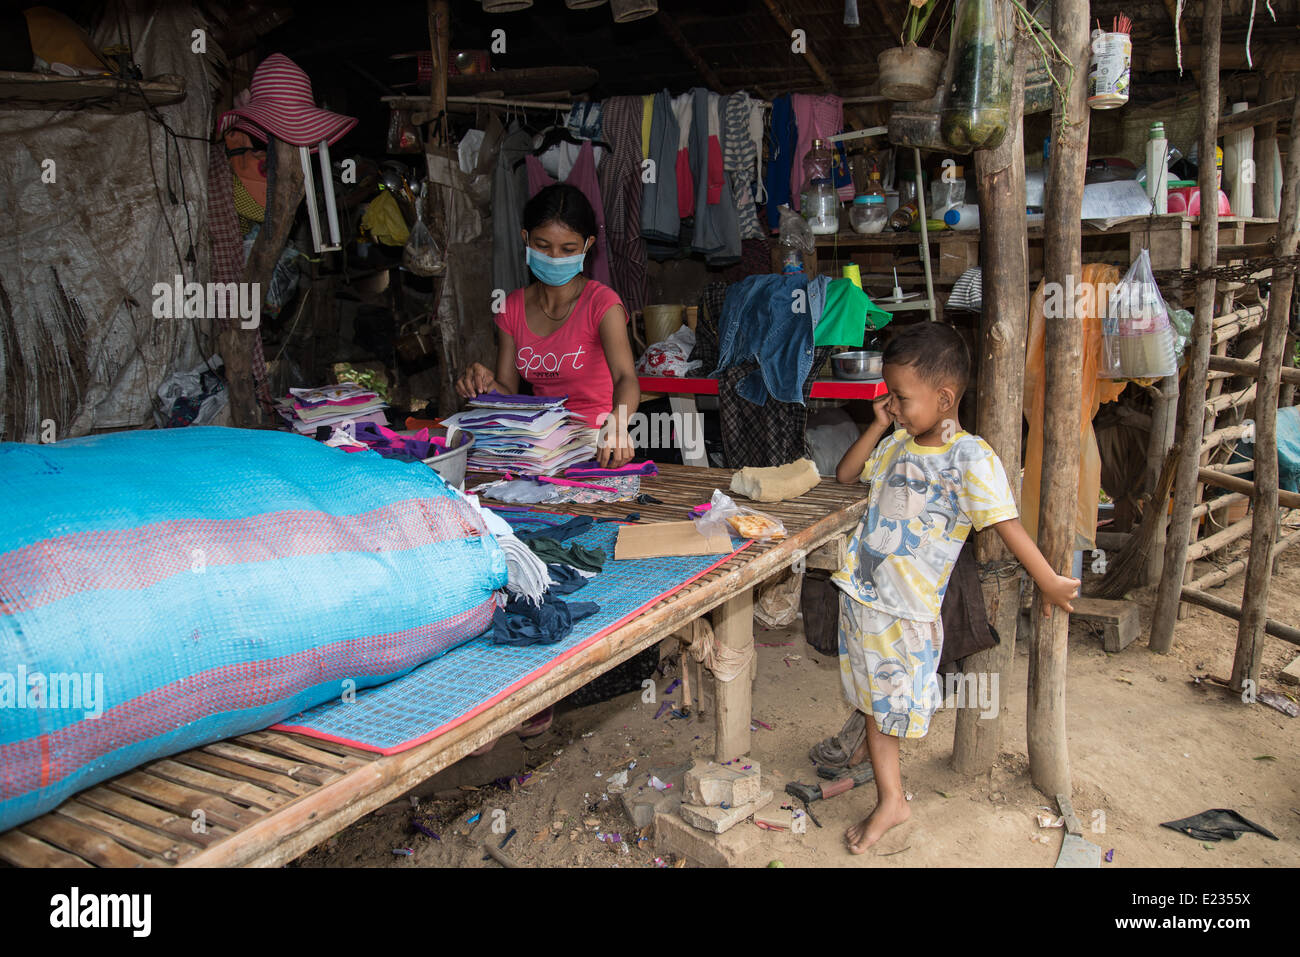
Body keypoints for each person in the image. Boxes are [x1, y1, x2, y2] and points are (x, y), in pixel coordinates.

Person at [831, 322, 1079, 854]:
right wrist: (878, 426)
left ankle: (892, 799)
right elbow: (846, 475)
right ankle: (886, 788)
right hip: (861, 599)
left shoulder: (969, 458)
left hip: (904, 612)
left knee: (886, 714)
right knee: (875, 706)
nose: (892, 405)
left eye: (900, 397)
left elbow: (1008, 526)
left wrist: (1050, 582)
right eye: (889, 396)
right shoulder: (897, 442)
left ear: (944, 398)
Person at [455, 183, 640, 467]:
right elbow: (509, 393)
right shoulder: (512, 307)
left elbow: (626, 378)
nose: (554, 257)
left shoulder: (602, 304)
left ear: (588, 246)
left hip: (595, 442)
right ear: (526, 239)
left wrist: (617, 421)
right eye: (543, 245)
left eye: (568, 249)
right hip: (539, 444)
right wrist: (485, 383)